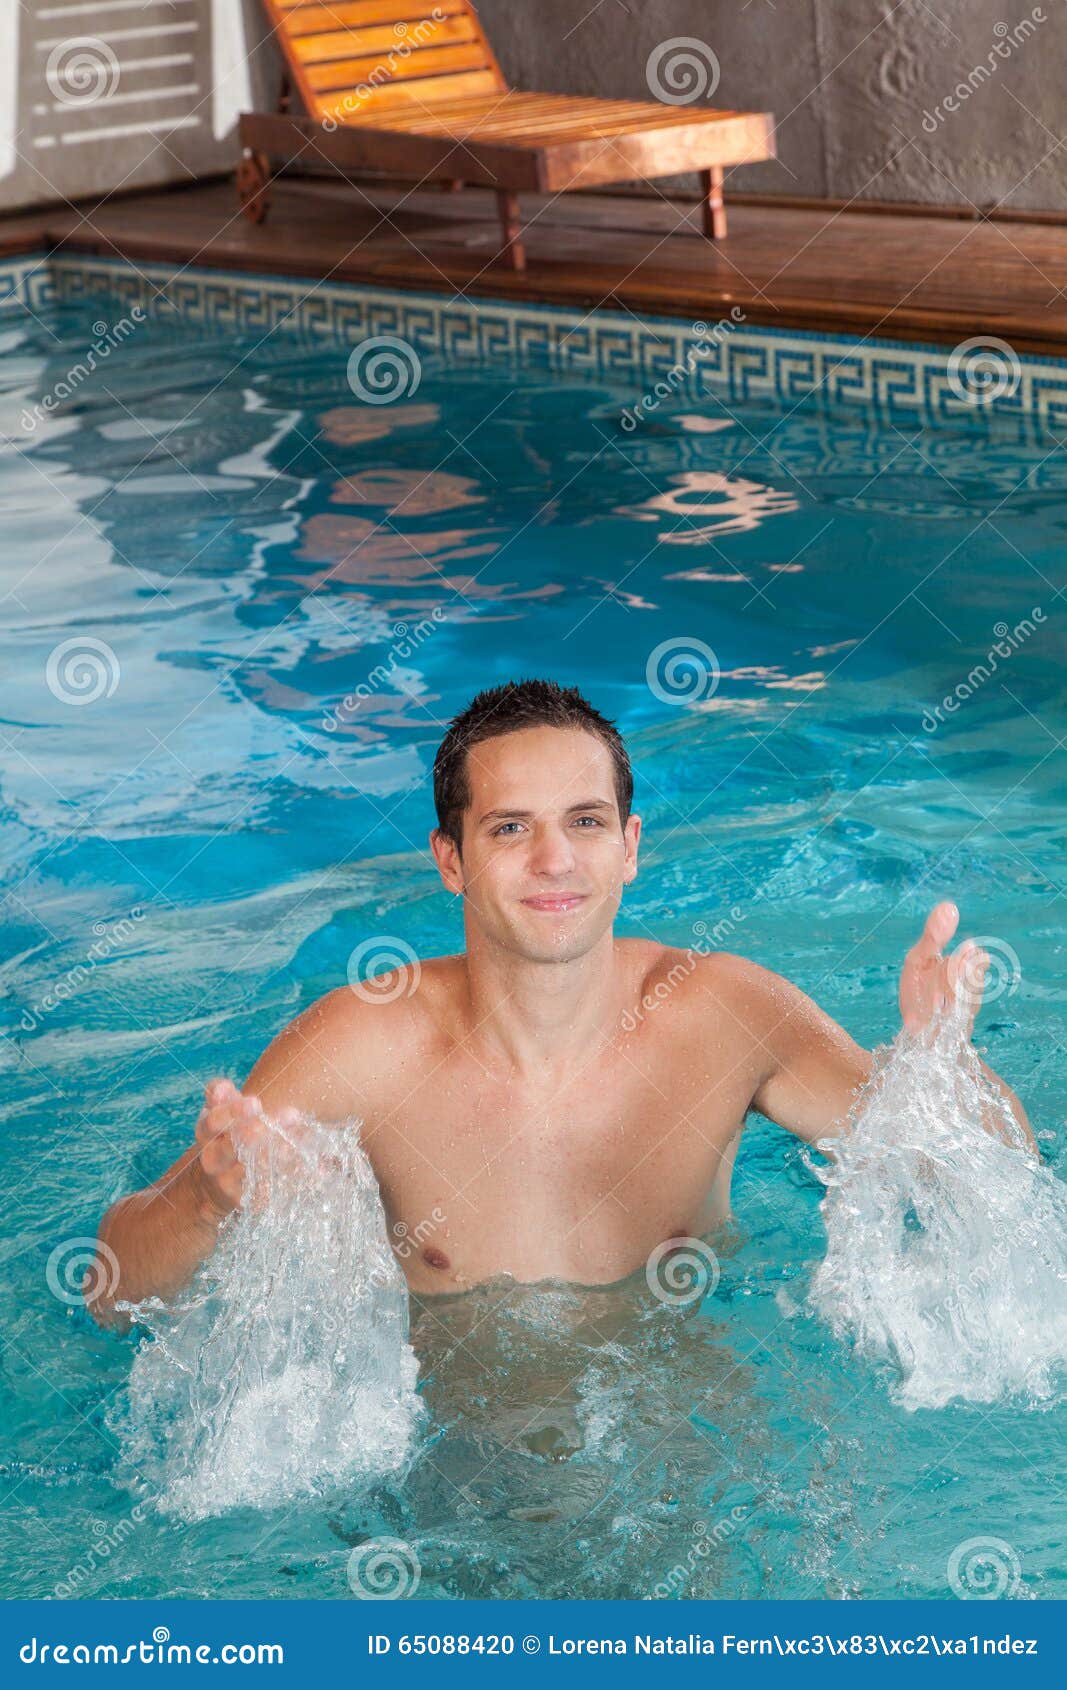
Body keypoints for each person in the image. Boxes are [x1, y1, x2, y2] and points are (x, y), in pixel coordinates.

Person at [88, 679, 1035, 1324]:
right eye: (511, 828)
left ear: (629, 846)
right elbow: (111, 1288)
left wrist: (939, 1063)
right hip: (454, 1472)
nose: (555, 861)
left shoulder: (721, 1011)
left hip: (691, 1445)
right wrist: (211, 1206)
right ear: (449, 861)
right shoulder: (360, 1043)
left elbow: (1002, 1175)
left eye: (584, 823)